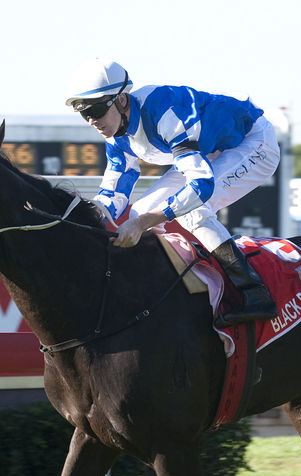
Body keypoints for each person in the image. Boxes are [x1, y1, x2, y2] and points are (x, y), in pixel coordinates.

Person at [65, 57, 279, 326]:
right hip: (207, 150)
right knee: (141, 209)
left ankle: (255, 293)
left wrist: (143, 222)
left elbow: (201, 187)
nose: (92, 121)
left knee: (192, 210)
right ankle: (164, 289)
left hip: (253, 142)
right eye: (85, 114)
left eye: (95, 110)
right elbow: (115, 191)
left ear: (121, 100)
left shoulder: (165, 113)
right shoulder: (114, 134)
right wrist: (87, 212)